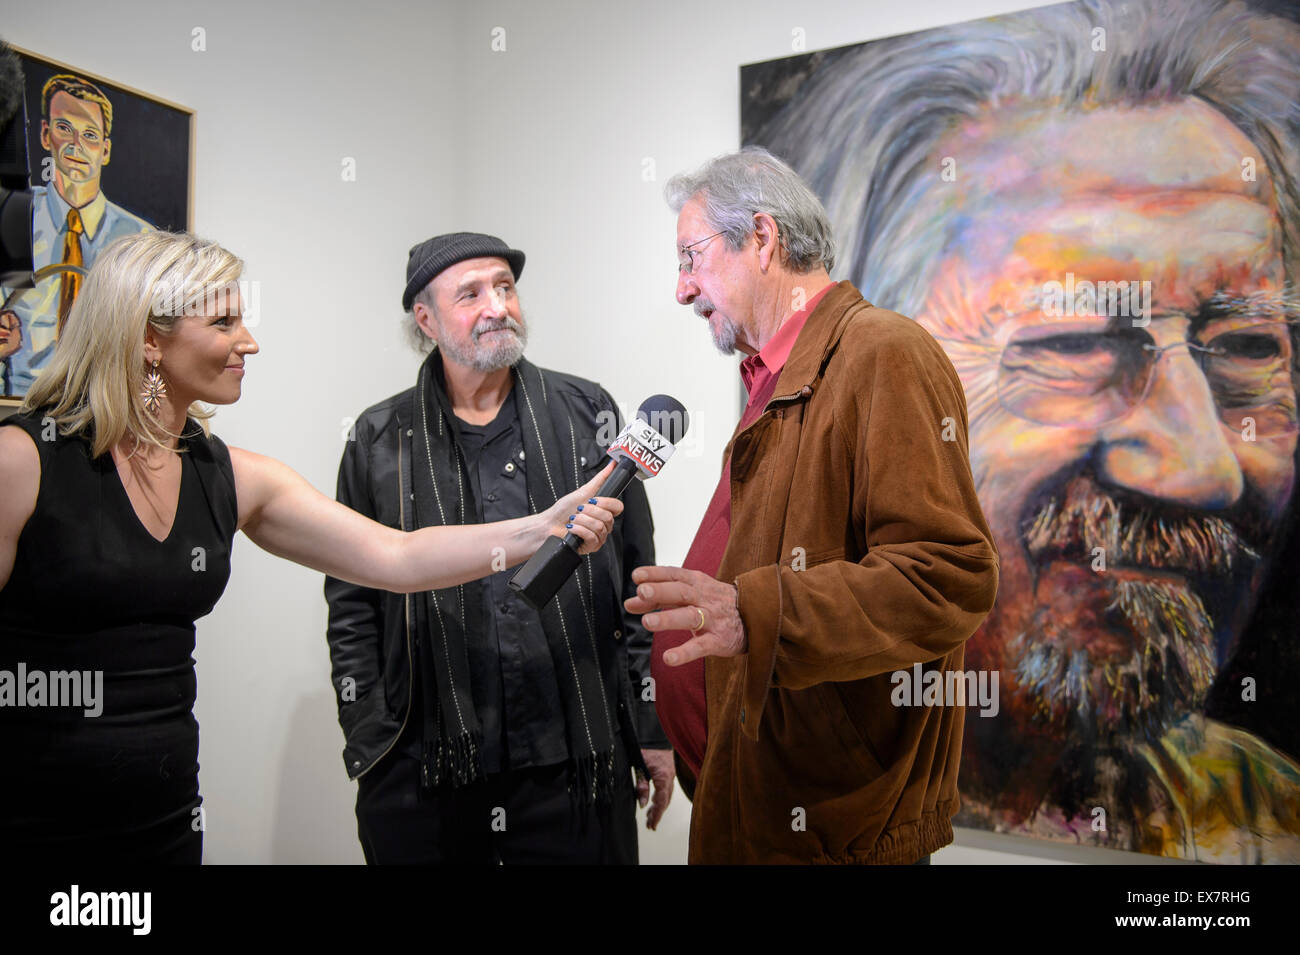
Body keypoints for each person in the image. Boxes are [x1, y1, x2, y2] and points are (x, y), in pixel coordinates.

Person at [748, 0, 1300, 861]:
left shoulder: (1263, 820)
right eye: (1074, 341)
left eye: (1243, 347)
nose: (1201, 468)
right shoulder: (800, 794)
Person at [0, 230, 622, 864]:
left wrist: (540, 527)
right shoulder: (21, 461)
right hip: (32, 817)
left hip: (163, 817)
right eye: (223, 322)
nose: (250, 341)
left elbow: (396, 559)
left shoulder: (229, 476)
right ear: (147, 340)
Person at [624, 148, 999, 864]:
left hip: (834, 837)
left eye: (691, 257)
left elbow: (947, 575)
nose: (681, 289)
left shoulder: (884, 352)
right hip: (755, 815)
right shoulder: (776, 374)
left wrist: (757, 614)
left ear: (762, 238)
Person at [324, 232, 672, 865]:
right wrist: (369, 738)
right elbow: (351, 603)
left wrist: (648, 725)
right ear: (425, 319)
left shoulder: (587, 411)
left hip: (574, 758)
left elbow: (635, 579)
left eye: (506, 287)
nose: (497, 306)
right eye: (471, 293)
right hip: (426, 767)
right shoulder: (378, 439)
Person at [1, 74, 152, 396]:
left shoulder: (140, 240)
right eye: (64, 128)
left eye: (90, 135)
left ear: (106, 149)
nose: (76, 145)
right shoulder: (14, 217)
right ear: (45, 134)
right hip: (21, 410)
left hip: (107, 416)